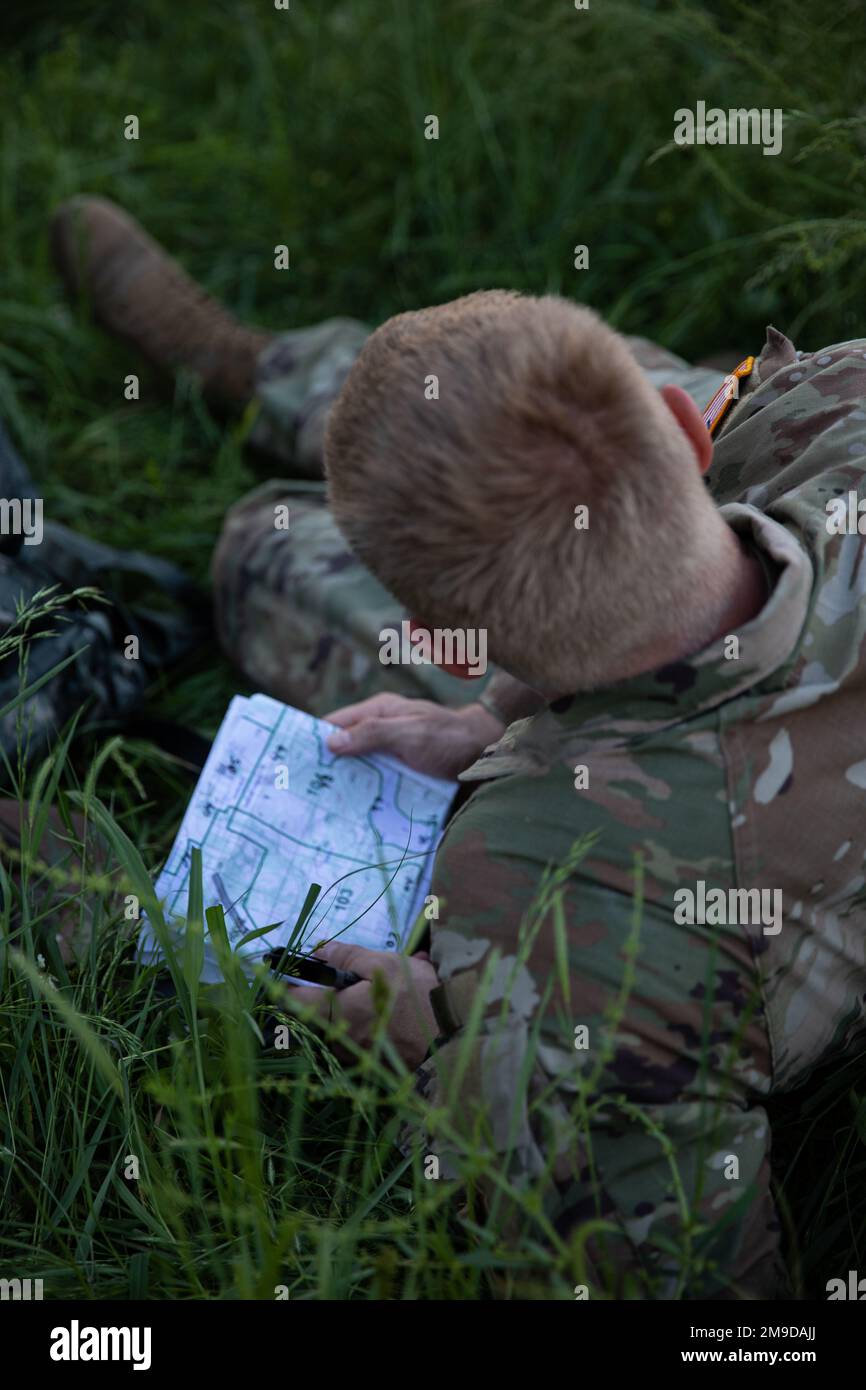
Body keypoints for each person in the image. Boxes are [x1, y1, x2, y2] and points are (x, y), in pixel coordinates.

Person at [50, 197, 866, 1298]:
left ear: (440, 643)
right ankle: (271, 373)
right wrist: (496, 716)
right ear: (685, 432)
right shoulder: (837, 400)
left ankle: (267, 388)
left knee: (267, 552)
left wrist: (449, 1035)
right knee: (524, 405)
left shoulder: (546, 892)